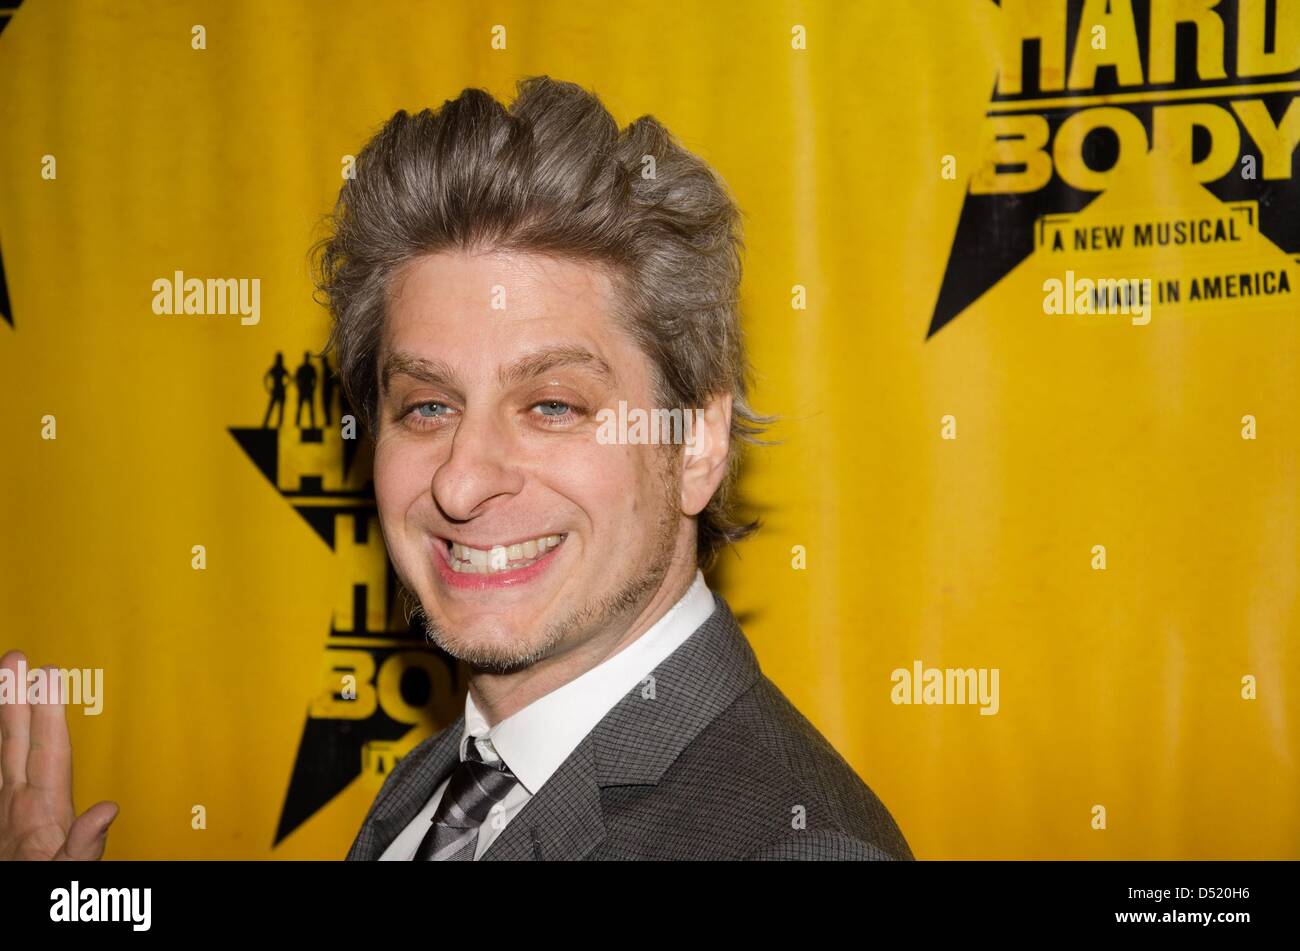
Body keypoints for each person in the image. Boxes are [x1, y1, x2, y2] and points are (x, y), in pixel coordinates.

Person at [0, 76, 911, 861]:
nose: (461, 483)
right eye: (427, 407)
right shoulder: (437, 787)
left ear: (697, 444)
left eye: (553, 405)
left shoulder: (793, 845)